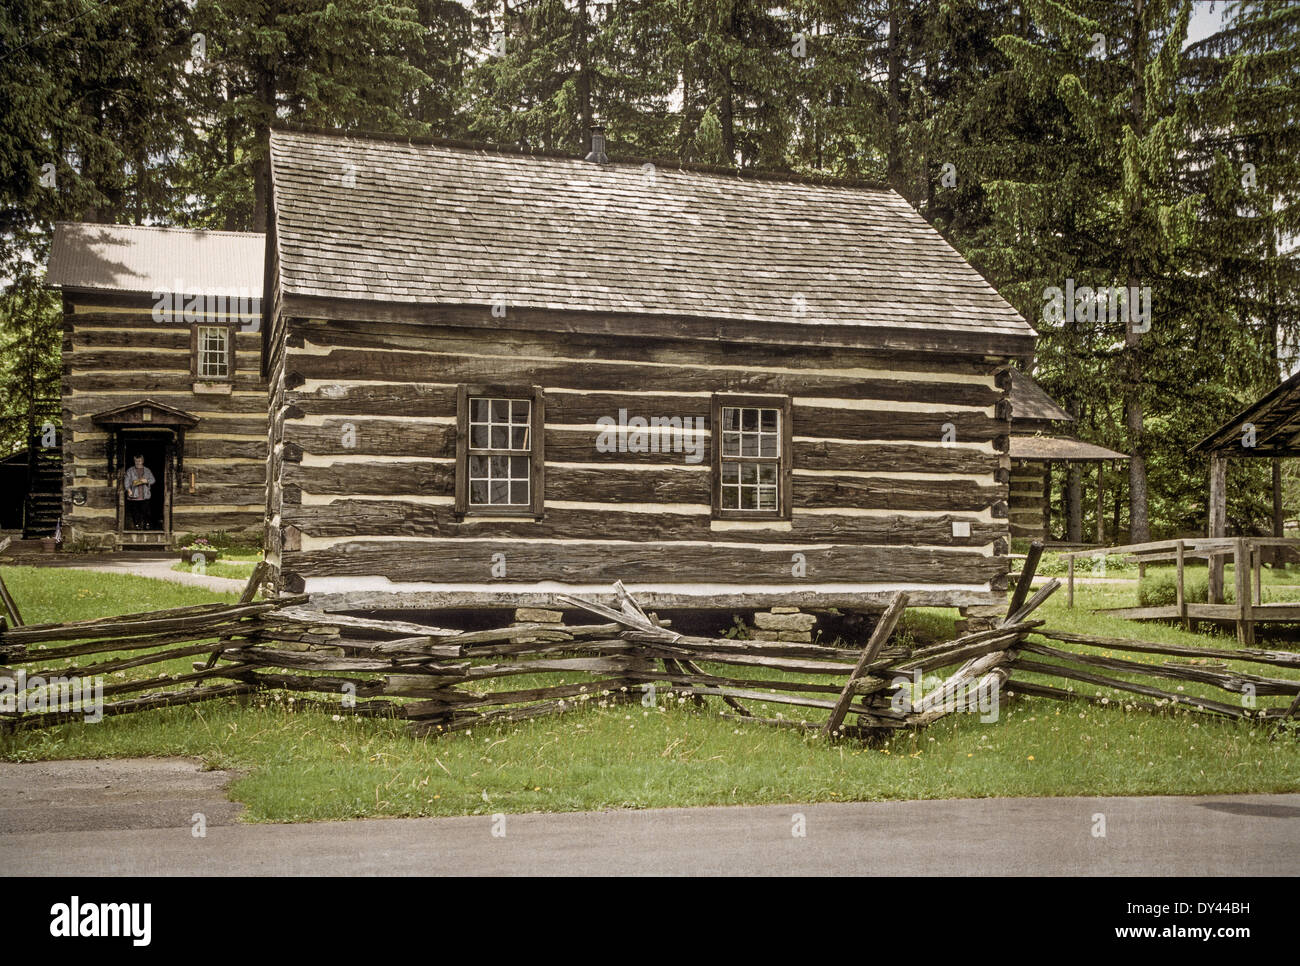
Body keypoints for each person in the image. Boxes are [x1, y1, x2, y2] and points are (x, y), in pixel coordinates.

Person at [124, 455, 156, 531]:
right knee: (135, 512)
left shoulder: (147, 470)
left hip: (145, 495)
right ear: (134, 461)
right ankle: (137, 525)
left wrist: (147, 481)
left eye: (139, 461)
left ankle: (146, 525)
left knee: (146, 512)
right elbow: (126, 482)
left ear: (143, 461)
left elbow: (153, 480)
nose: (138, 462)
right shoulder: (130, 470)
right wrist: (129, 490)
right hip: (134, 496)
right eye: (136, 461)